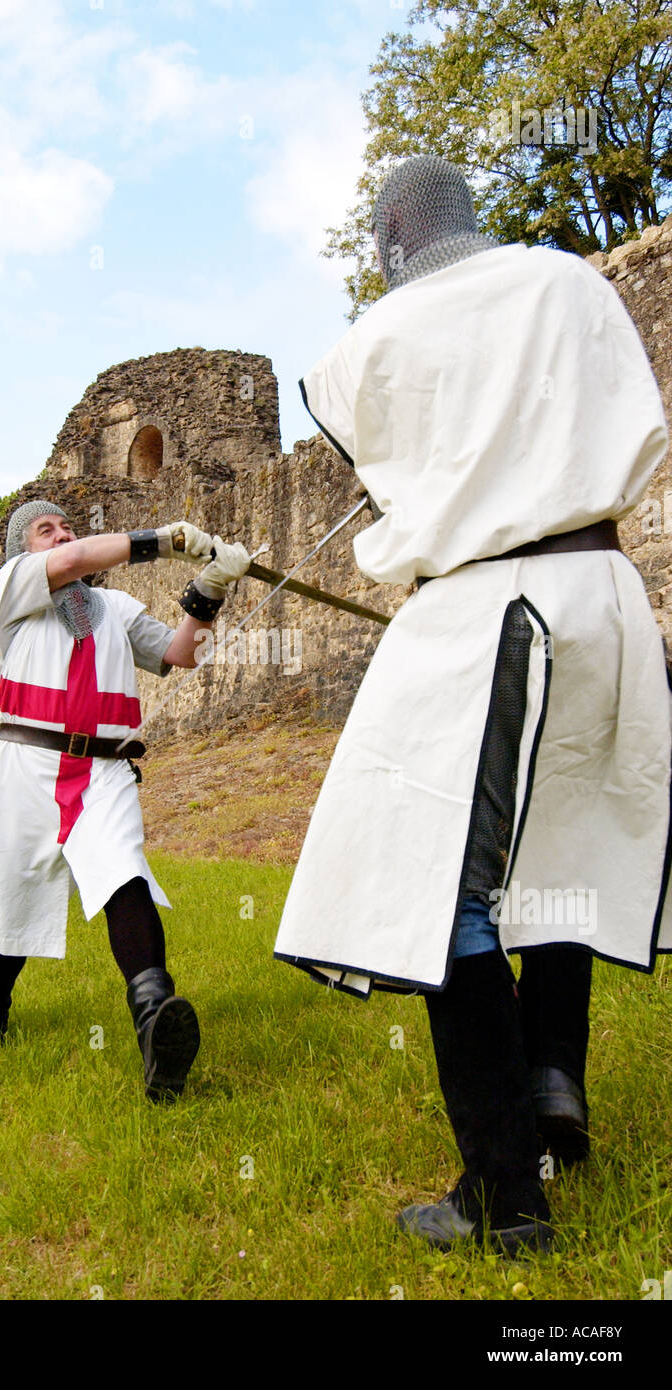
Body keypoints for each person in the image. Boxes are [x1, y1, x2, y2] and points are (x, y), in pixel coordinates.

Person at [273, 155, 671, 1252]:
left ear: (392, 237)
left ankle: (503, 1194)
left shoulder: (369, 344)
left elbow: (401, 468)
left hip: (482, 610)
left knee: (442, 890)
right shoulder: (573, 284)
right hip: (604, 596)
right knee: (565, 851)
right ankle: (549, 1087)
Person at [0, 500, 250, 1102]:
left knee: (124, 875)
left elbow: (184, 654)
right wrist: (166, 539)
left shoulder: (115, 610)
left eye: (67, 526)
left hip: (103, 769)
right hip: (23, 765)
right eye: (45, 530)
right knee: (11, 899)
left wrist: (210, 588)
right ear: (23, 551)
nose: (63, 536)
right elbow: (73, 559)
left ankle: (156, 1024)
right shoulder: (11, 591)